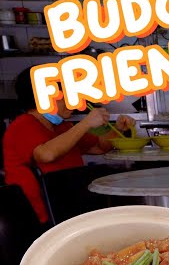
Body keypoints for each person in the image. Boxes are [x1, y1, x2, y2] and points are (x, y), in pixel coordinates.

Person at [3, 66, 113, 223]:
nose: (73, 101)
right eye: (65, 95)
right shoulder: (23, 125)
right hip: (38, 218)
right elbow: (46, 154)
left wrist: (122, 129)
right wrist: (86, 123)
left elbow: (100, 147)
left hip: (68, 209)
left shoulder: (62, 127)